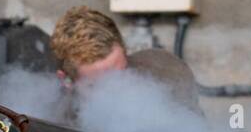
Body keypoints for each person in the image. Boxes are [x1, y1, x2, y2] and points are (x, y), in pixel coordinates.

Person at [49, 6, 202, 115]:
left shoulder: (167, 72)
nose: (115, 89)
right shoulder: (59, 126)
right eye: (97, 85)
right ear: (66, 81)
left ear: (124, 51)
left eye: (121, 73)